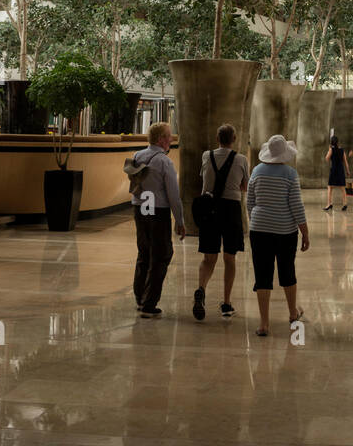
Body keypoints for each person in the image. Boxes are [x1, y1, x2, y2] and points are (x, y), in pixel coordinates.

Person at [246, 134, 309, 337]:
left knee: (262, 275)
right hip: (284, 231)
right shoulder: (290, 174)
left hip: (259, 230)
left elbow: (250, 202)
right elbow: (296, 206)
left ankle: (264, 324)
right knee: (287, 271)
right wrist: (305, 233)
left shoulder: (256, 171)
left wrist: (257, 220)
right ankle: (292, 313)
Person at [193, 123, 249, 321]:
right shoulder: (241, 159)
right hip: (231, 210)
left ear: (217, 139)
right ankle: (226, 303)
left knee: (209, 258)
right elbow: (244, 186)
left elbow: (204, 179)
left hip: (209, 209)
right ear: (234, 140)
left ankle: (201, 289)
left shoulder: (206, 156)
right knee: (229, 258)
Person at [130, 121, 186, 318]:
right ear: (162, 140)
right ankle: (149, 303)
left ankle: (140, 297)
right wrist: (179, 221)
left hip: (140, 208)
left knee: (144, 252)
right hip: (158, 211)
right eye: (169, 136)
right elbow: (173, 194)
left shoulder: (138, 156)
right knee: (161, 255)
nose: (171, 139)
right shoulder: (164, 161)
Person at [325, 136, 350, 210]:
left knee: (330, 187)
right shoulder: (342, 150)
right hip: (340, 170)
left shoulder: (331, 150)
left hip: (333, 170)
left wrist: (328, 150)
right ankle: (345, 204)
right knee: (342, 188)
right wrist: (348, 171)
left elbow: (327, 159)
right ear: (338, 142)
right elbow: (345, 161)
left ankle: (329, 204)